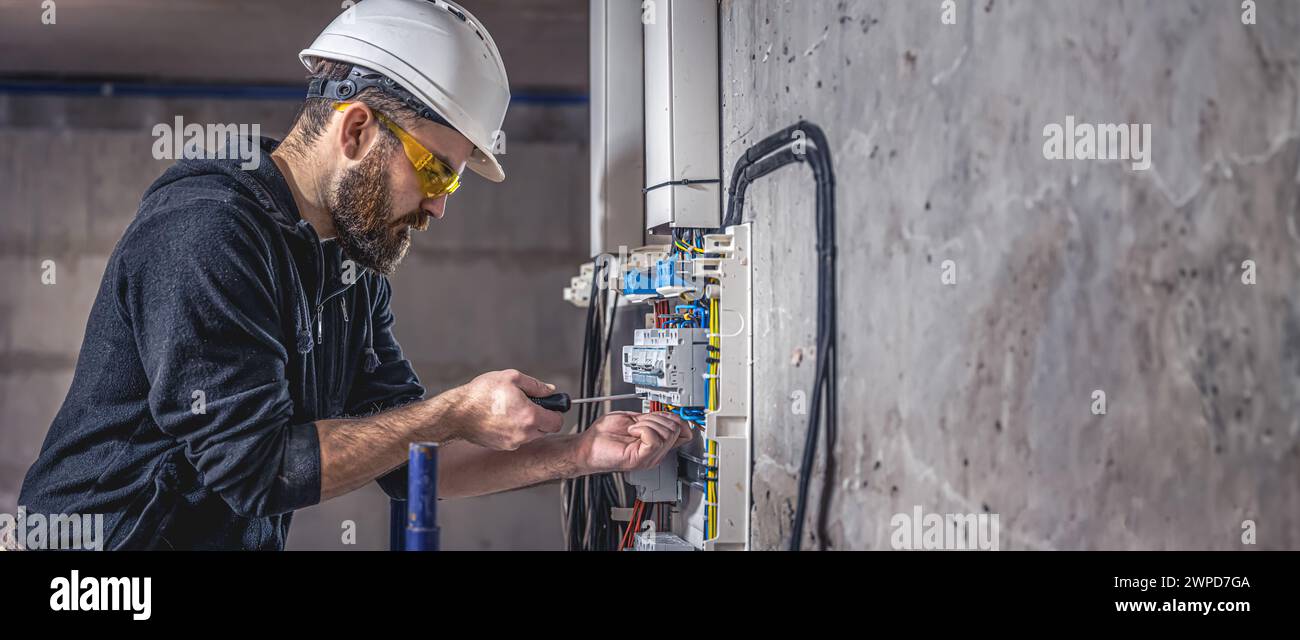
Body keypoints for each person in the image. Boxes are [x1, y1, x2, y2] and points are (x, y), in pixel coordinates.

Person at [18, 0, 689, 550]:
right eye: (435, 170)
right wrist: (454, 410)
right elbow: (258, 469)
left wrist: (581, 453)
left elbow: (410, 462)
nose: (439, 205)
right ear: (358, 129)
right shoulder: (206, 232)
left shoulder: (348, 267)